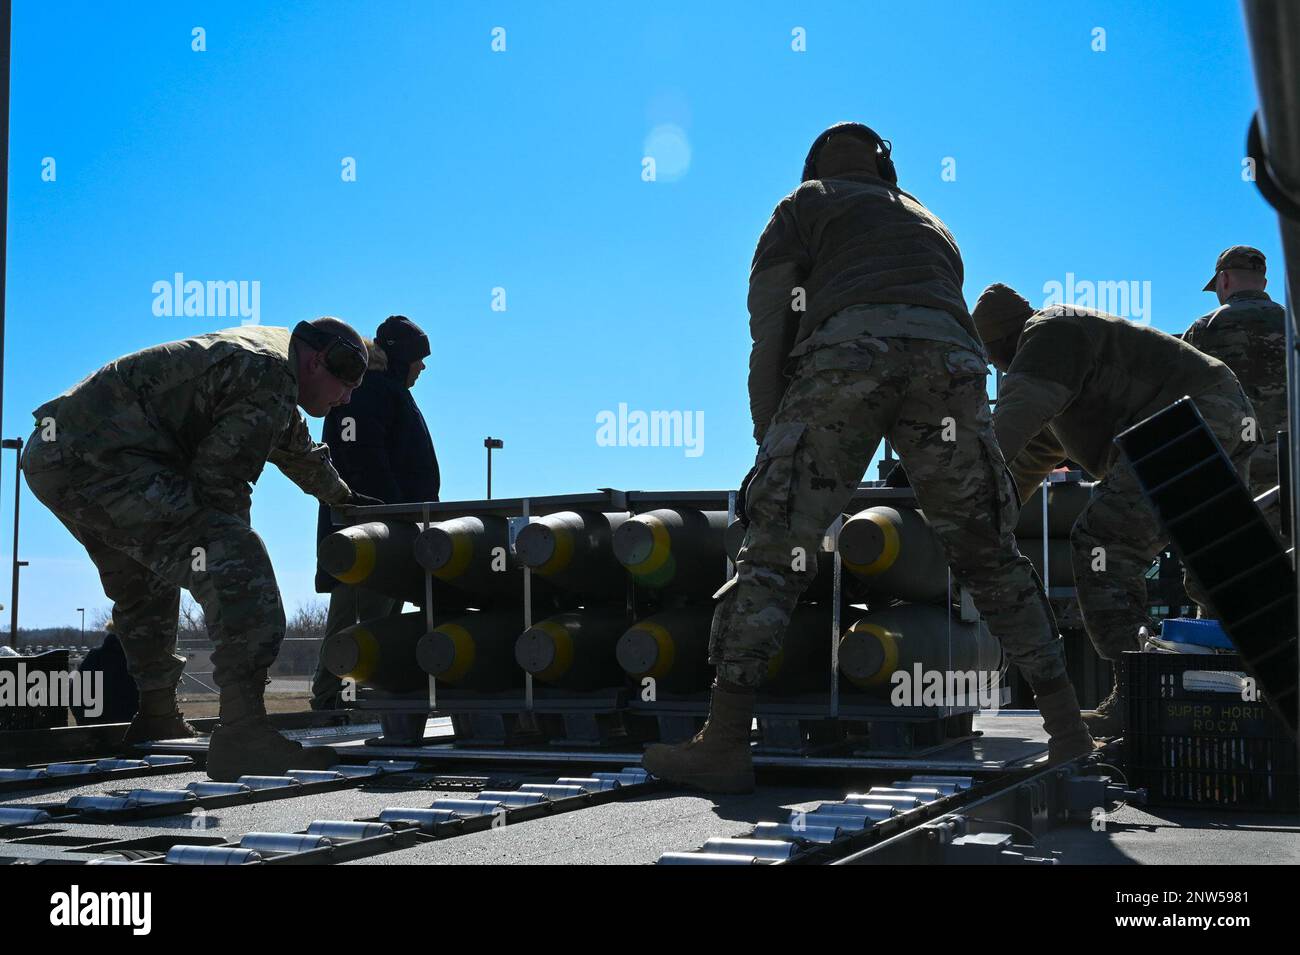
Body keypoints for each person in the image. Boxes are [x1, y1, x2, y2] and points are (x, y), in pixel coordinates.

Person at [641, 123, 1096, 794]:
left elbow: (770, 328)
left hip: (848, 354)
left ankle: (727, 740)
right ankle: (1067, 730)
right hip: (952, 365)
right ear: (886, 168)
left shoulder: (804, 203)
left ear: (813, 165)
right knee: (988, 551)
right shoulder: (931, 220)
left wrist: (774, 444)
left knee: (773, 550)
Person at [22, 318, 381, 780]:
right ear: (316, 362)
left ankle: (155, 715)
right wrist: (229, 569)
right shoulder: (268, 372)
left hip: (57, 458)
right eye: (347, 384)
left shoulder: (275, 364)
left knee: (144, 583)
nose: (347, 399)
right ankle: (244, 733)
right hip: (103, 461)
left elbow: (295, 449)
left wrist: (345, 501)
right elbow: (221, 484)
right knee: (237, 561)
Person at [972, 284, 1255, 737]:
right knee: (1209, 557)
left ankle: (1139, 694)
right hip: (1215, 412)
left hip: (1186, 417)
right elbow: (1022, 465)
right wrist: (987, 516)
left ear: (1002, 344)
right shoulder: (1065, 372)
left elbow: (1011, 421)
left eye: (993, 359)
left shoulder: (1047, 334)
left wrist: (957, 486)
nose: (998, 370)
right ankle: (1222, 692)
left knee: (1104, 541)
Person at [311, 315, 440, 709]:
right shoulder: (368, 394)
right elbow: (362, 463)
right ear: (401, 357)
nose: (423, 366)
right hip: (370, 536)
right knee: (358, 619)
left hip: (389, 532)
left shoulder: (383, 391)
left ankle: (354, 696)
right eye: (418, 357)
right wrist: (391, 516)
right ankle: (333, 698)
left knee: (376, 624)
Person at [1182, 246, 1286, 530]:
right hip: (1289, 475)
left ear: (1224, 280)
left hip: (1230, 473)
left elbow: (1182, 404)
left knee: (1221, 563)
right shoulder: (1294, 326)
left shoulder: (1204, 328)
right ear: (1264, 283)